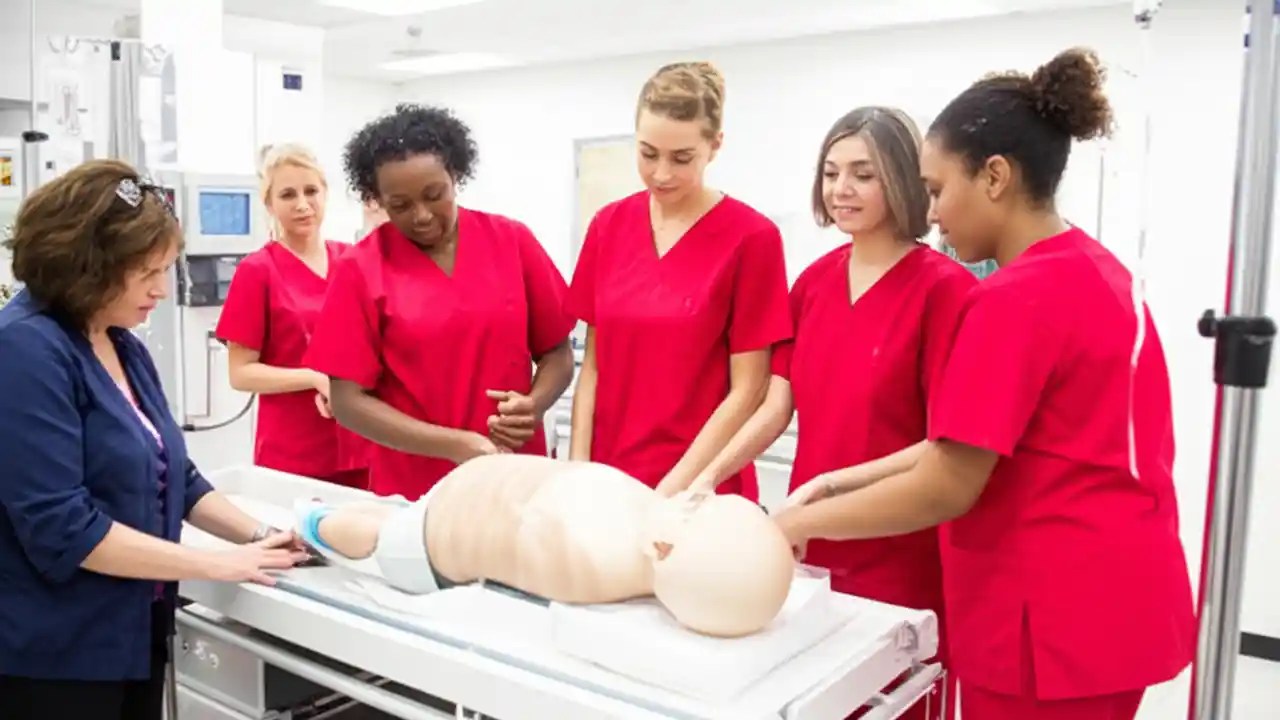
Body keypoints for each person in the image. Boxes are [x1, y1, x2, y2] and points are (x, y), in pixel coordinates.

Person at [772, 48, 1196, 720]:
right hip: (1117, 605)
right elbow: (963, 439)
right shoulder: (1095, 270)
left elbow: (950, 479)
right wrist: (835, 483)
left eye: (937, 189)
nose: (933, 213)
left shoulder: (1012, 298)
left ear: (994, 176)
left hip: (1048, 621)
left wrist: (793, 524)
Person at [688, 106, 973, 720]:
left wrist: (831, 487)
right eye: (831, 172)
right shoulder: (813, 284)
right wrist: (703, 480)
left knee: (895, 700)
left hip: (897, 545)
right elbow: (774, 404)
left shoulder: (945, 291)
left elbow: (943, 443)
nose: (841, 189)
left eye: (862, 174)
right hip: (806, 543)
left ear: (900, 177)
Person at [0, 160, 308, 720]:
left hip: (133, 631)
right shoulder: (25, 351)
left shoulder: (121, 344)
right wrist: (217, 565)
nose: (163, 291)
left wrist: (266, 537)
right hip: (54, 656)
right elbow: (63, 529)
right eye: (148, 273)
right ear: (87, 266)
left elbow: (178, 476)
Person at [305, 104, 577, 501]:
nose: (421, 216)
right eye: (399, 205)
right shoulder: (360, 269)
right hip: (416, 487)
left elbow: (557, 353)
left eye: (435, 195)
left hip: (516, 473)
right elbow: (348, 403)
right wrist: (454, 445)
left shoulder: (512, 242)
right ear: (376, 199)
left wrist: (533, 405)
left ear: (455, 175)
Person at [566, 61, 792, 501]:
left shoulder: (752, 238)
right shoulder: (608, 227)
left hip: (700, 487)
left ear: (715, 146)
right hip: (609, 480)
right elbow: (592, 366)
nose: (662, 173)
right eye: (648, 154)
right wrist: (577, 470)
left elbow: (749, 389)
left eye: (681, 158)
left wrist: (673, 489)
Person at [292, 454, 795, 637]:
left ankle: (313, 523)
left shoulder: (598, 557)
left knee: (376, 534)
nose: (699, 496)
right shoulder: (642, 522)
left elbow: (526, 526)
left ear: (664, 549)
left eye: (701, 510)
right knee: (394, 514)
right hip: (446, 503)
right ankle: (369, 514)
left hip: (422, 549)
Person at [216, 143, 370, 488]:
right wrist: (314, 378)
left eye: (311, 191)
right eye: (288, 195)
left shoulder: (353, 261)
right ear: (269, 204)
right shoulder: (257, 271)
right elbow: (241, 374)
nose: (302, 204)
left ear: (325, 193)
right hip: (294, 453)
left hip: (361, 441)